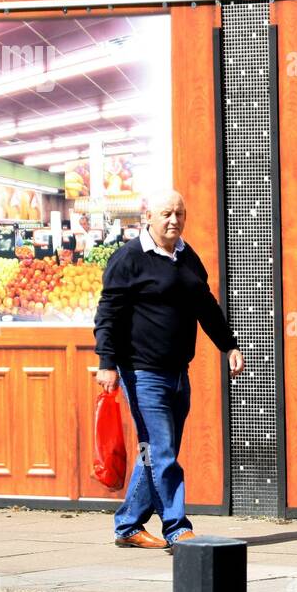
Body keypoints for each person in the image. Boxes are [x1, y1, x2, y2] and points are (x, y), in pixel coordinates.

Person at [93, 190, 244, 551]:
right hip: (141, 373)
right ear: (148, 215)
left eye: (180, 213)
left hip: (178, 372)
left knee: (158, 451)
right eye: (166, 213)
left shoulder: (186, 256)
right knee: (161, 451)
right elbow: (108, 314)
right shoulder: (128, 259)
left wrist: (228, 345)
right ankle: (177, 528)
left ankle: (128, 524)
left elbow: (205, 305)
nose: (174, 220)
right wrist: (106, 362)